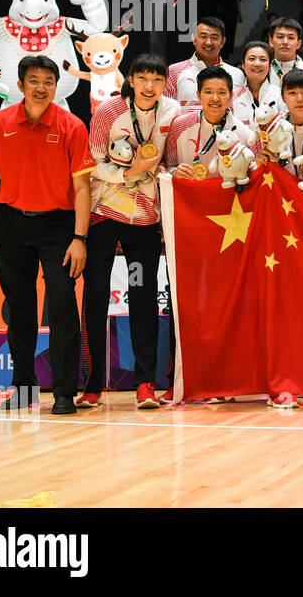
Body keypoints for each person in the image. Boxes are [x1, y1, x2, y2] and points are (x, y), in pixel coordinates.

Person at [0, 54, 95, 414]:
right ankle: (23, 388)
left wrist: (79, 238)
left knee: (62, 308)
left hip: (58, 226)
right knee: (20, 310)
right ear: (21, 85)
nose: (42, 88)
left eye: (49, 82)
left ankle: (65, 393)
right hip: (12, 225)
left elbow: (82, 187)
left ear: (56, 86)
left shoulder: (72, 126)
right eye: (34, 81)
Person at [80, 54, 181, 409]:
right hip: (103, 216)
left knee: (143, 296)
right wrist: (128, 173)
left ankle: (145, 384)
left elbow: (172, 160)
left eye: (157, 79)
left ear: (164, 82)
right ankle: (92, 384)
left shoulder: (174, 112)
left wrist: (163, 175)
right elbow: (92, 163)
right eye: (143, 78)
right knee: (95, 295)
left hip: (145, 222)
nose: (150, 86)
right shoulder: (108, 112)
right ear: (132, 80)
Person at [167, 66, 260, 182]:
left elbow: (254, 173)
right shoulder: (179, 126)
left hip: (227, 197)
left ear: (231, 96)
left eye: (221, 92)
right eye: (208, 92)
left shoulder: (246, 135)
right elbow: (167, 165)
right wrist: (174, 171)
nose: (215, 98)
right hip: (190, 196)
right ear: (198, 95)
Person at [168, 17, 244, 103]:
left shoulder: (237, 75)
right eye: (203, 37)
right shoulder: (174, 71)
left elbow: (239, 111)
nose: (208, 42)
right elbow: (166, 109)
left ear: (222, 42)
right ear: (194, 39)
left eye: (214, 38)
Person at [231, 41, 282, 129]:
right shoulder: (232, 97)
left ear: (269, 66)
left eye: (263, 59)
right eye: (251, 59)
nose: (257, 64)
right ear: (243, 64)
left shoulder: (280, 95)